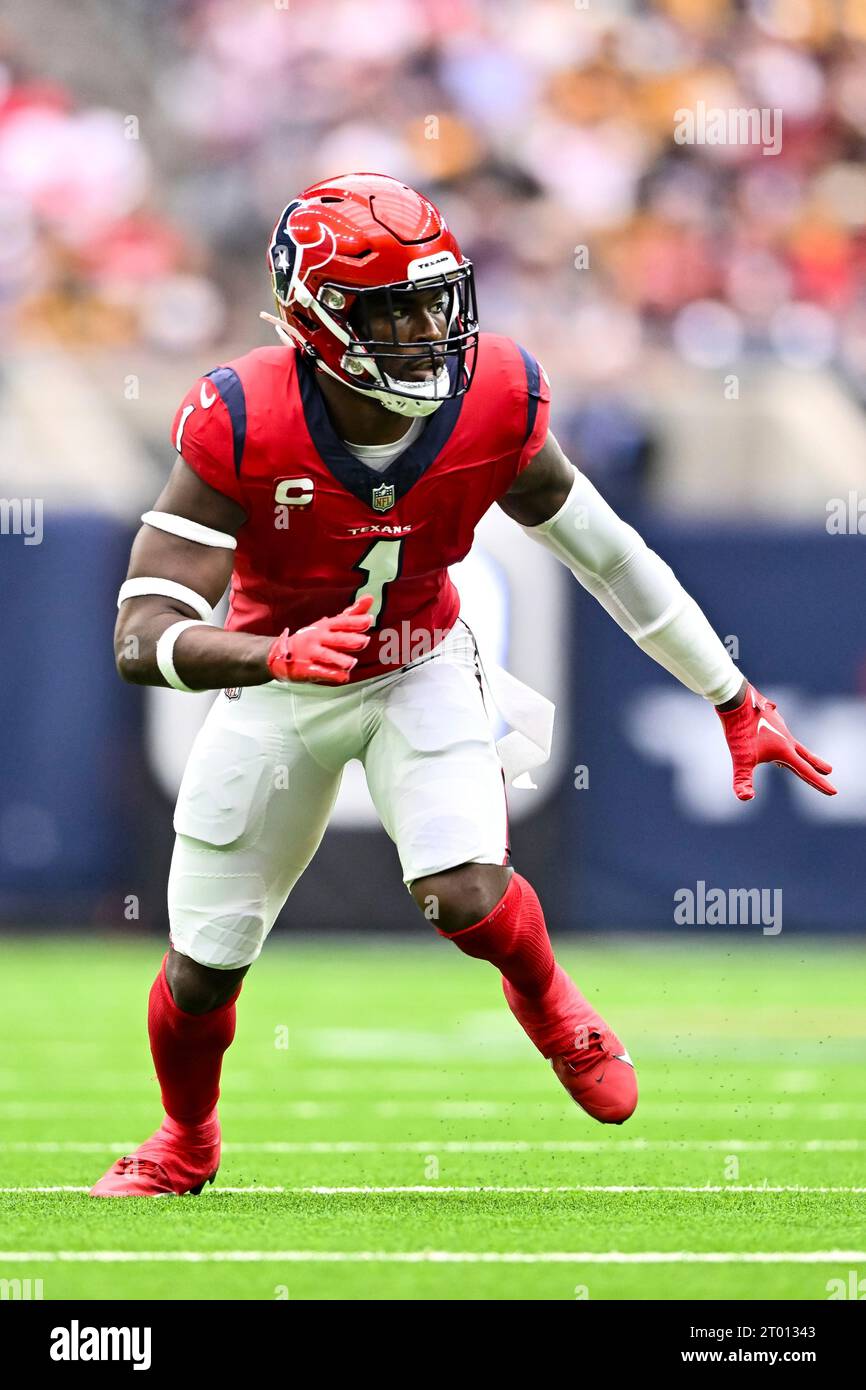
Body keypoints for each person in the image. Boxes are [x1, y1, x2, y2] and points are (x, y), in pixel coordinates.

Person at [92, 173, 835, 1197]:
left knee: (461, 891)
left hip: (419, 662)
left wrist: (731, 695)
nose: (421, 327)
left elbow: (610, 557)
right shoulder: (241, 416)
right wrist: (273, 655)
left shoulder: (493, 395)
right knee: (203, 964)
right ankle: (185, 1139)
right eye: (387, 307)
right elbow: (142, 633)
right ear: (312, 318)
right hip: (275, 686)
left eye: (430, 297)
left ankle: (552, 1003)